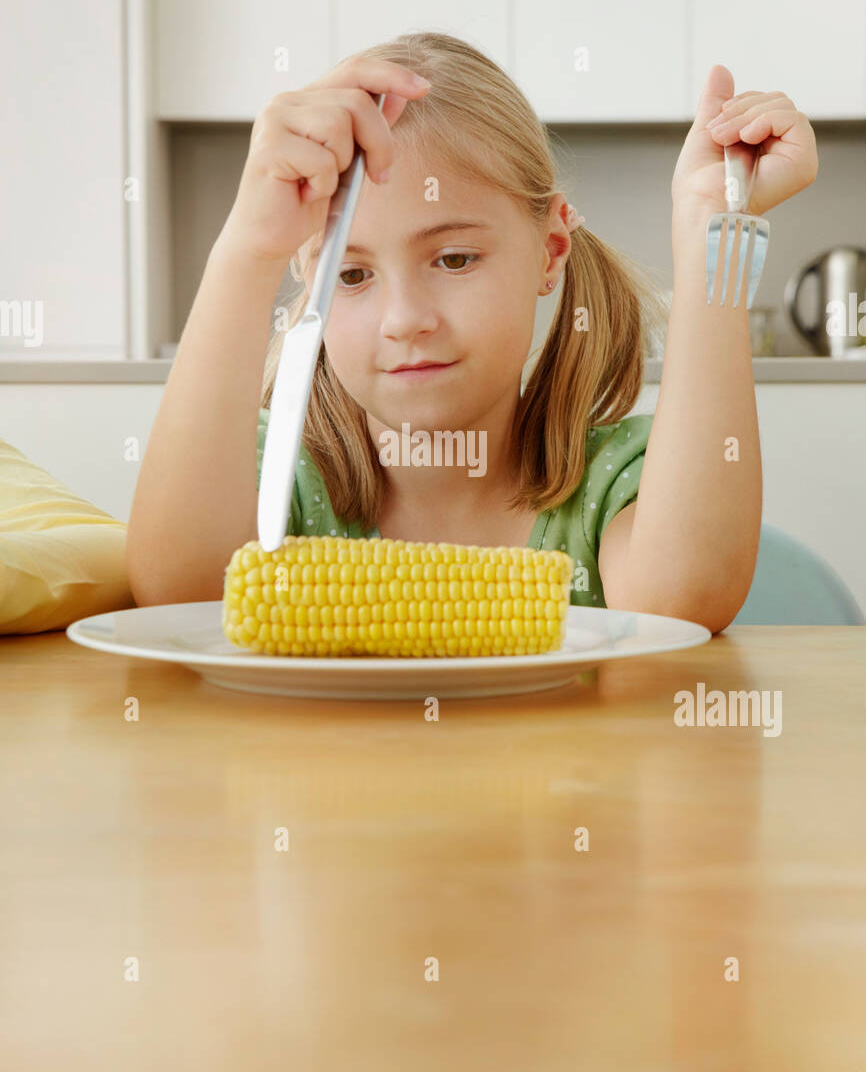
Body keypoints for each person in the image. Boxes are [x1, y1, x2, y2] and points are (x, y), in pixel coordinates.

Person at [127, 32, 817, 632]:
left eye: (454, 259)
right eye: (353, 275)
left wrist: (710, 234)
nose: (404, 320)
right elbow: (177, 596)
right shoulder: (274, 483)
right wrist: (249, 249)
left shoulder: (615, 486)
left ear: (549, 250)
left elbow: (684, 596)